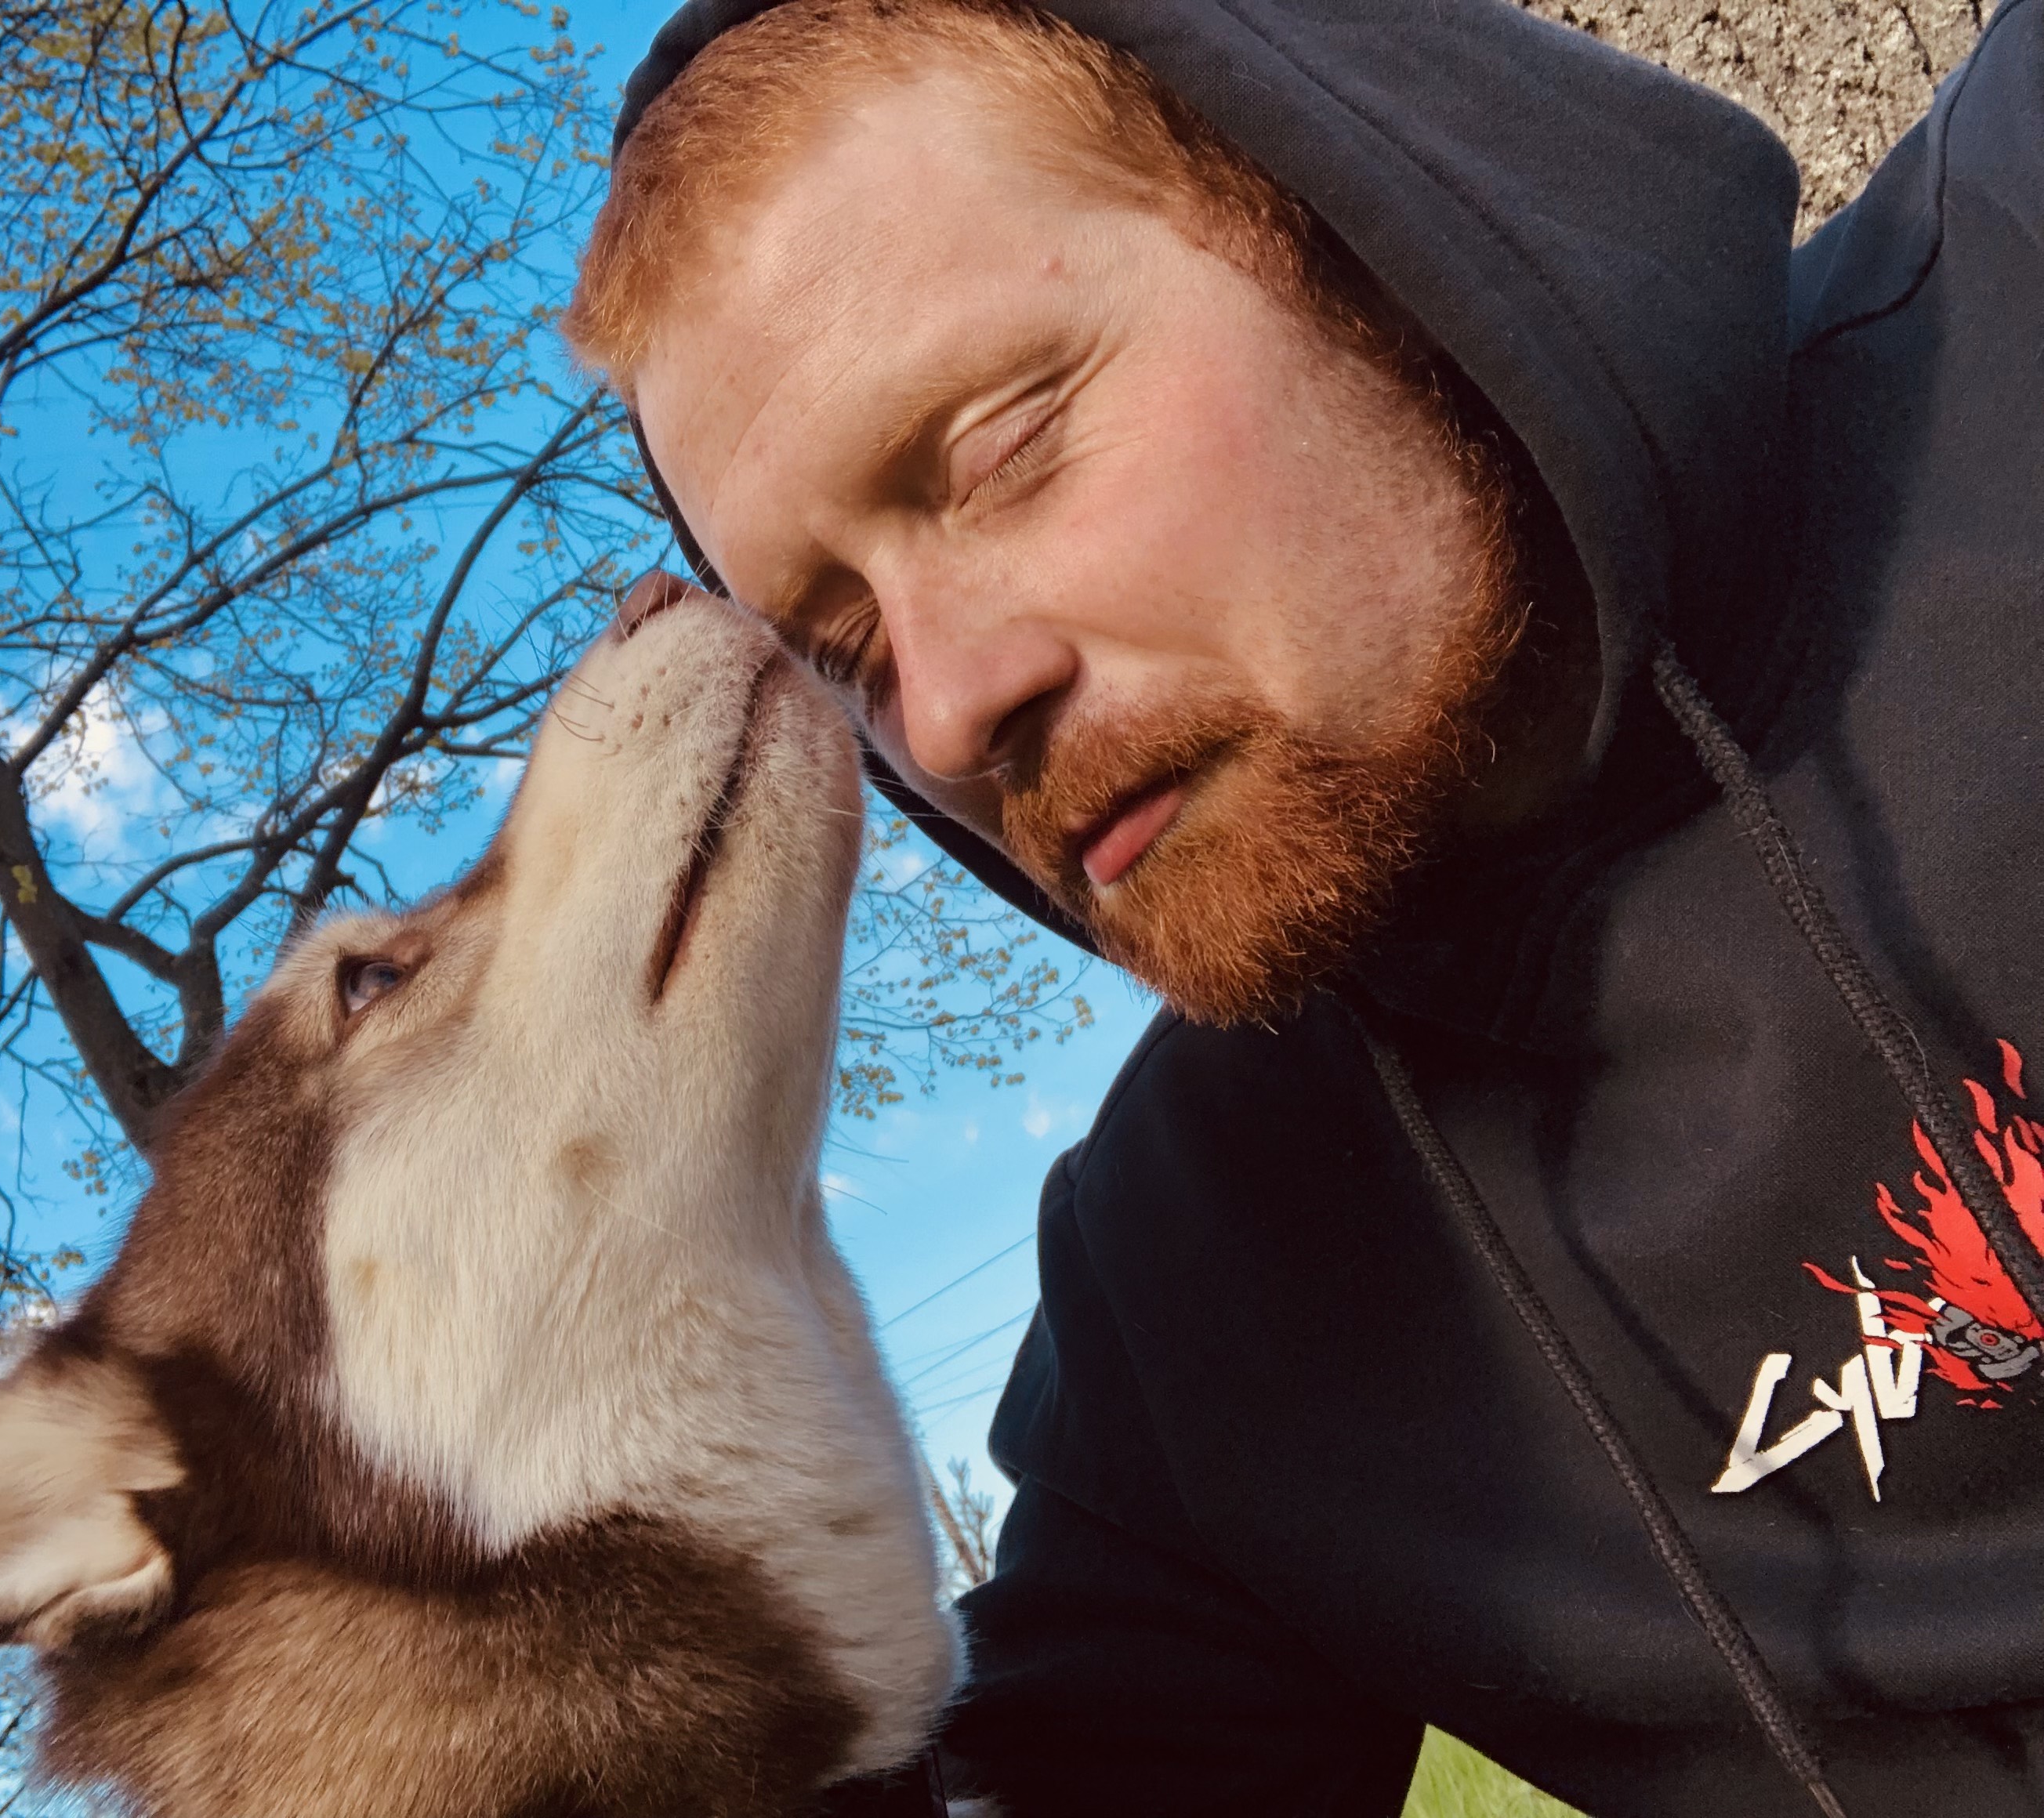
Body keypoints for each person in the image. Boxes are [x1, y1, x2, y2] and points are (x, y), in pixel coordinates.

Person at [565, 1, 2044, 1813]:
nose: (942, 710)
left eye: (1000, 443)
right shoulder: (1197, 1302)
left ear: (1355, 209)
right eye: (841, 647)